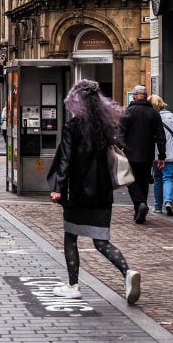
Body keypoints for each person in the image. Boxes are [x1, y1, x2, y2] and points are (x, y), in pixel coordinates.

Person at [47, 79, 141, 304]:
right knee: (101, 241)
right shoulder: (105, 128)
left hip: (77, 193)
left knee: (71, 237)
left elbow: (66, 161)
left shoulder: (73, 127)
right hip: (102, 192)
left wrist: (58, 188)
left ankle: (73, 285)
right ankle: (127, 272)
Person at [120, 85, 166, 224]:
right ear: (145, 96)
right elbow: (160, 136)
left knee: (130, 181)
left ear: (134, 96)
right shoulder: (154, 113)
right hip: (147, 154)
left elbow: (120, 134)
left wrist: (119, 149)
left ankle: (140, 204)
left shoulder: (128, 112)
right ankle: (139, 212)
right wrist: (162, 156)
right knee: (143, 182)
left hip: (130, 153)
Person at [149, 95, 173, 216]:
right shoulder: (171, 116)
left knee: (157, 179)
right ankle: (168, 202)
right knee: (167, 178)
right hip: (170, 153)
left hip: (156, 154)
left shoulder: (150, 117)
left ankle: (157, 206)